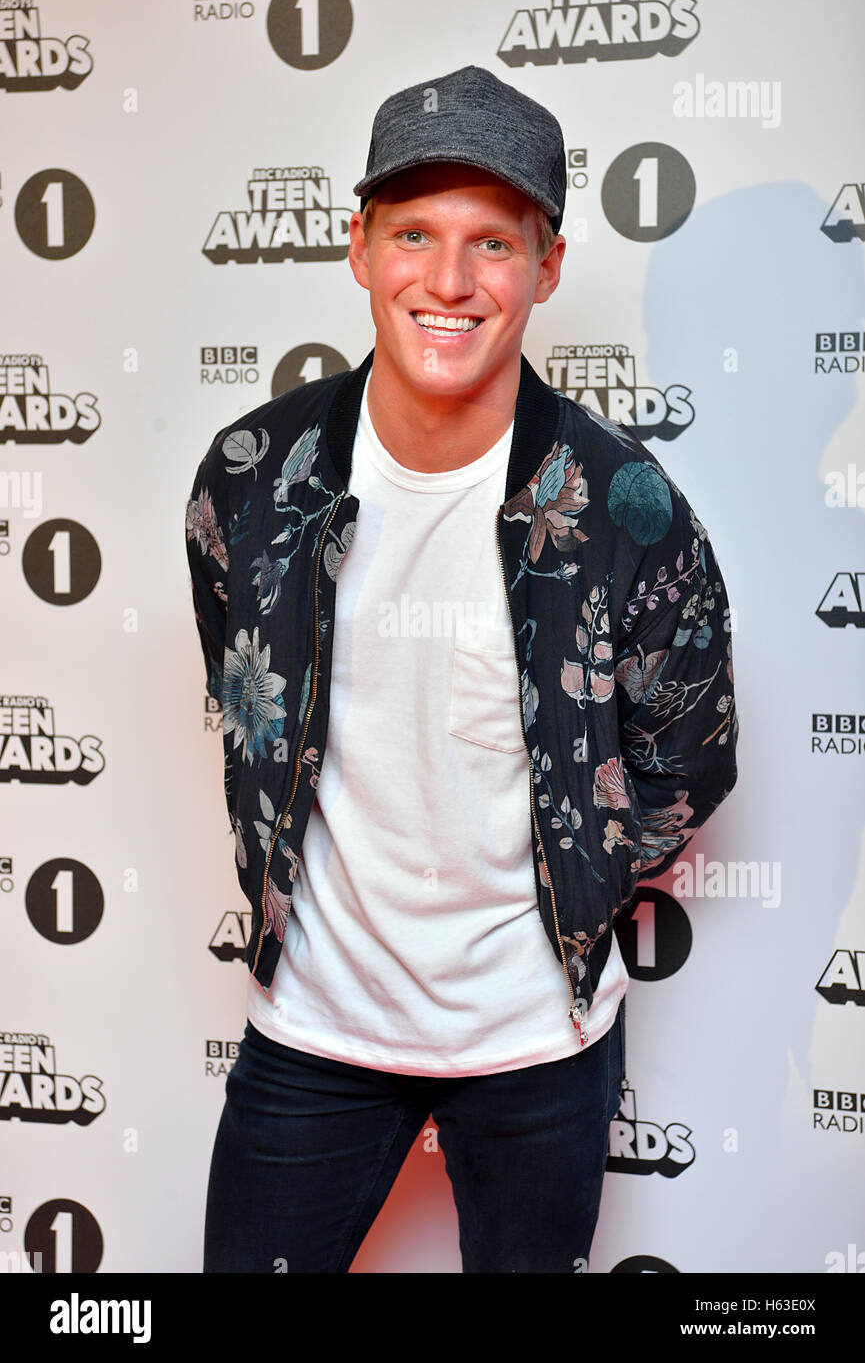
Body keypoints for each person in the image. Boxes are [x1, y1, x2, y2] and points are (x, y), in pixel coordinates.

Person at [186, 65, 739, 1274]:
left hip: (538, 1041)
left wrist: (565, 891)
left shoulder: (625, 506)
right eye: (414, 234)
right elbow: (246, 700)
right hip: (313, 1025)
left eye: (492, 242)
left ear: (545, 266)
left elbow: (687, 764)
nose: (447, 282)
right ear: (357, 245)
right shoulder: (250, 475)